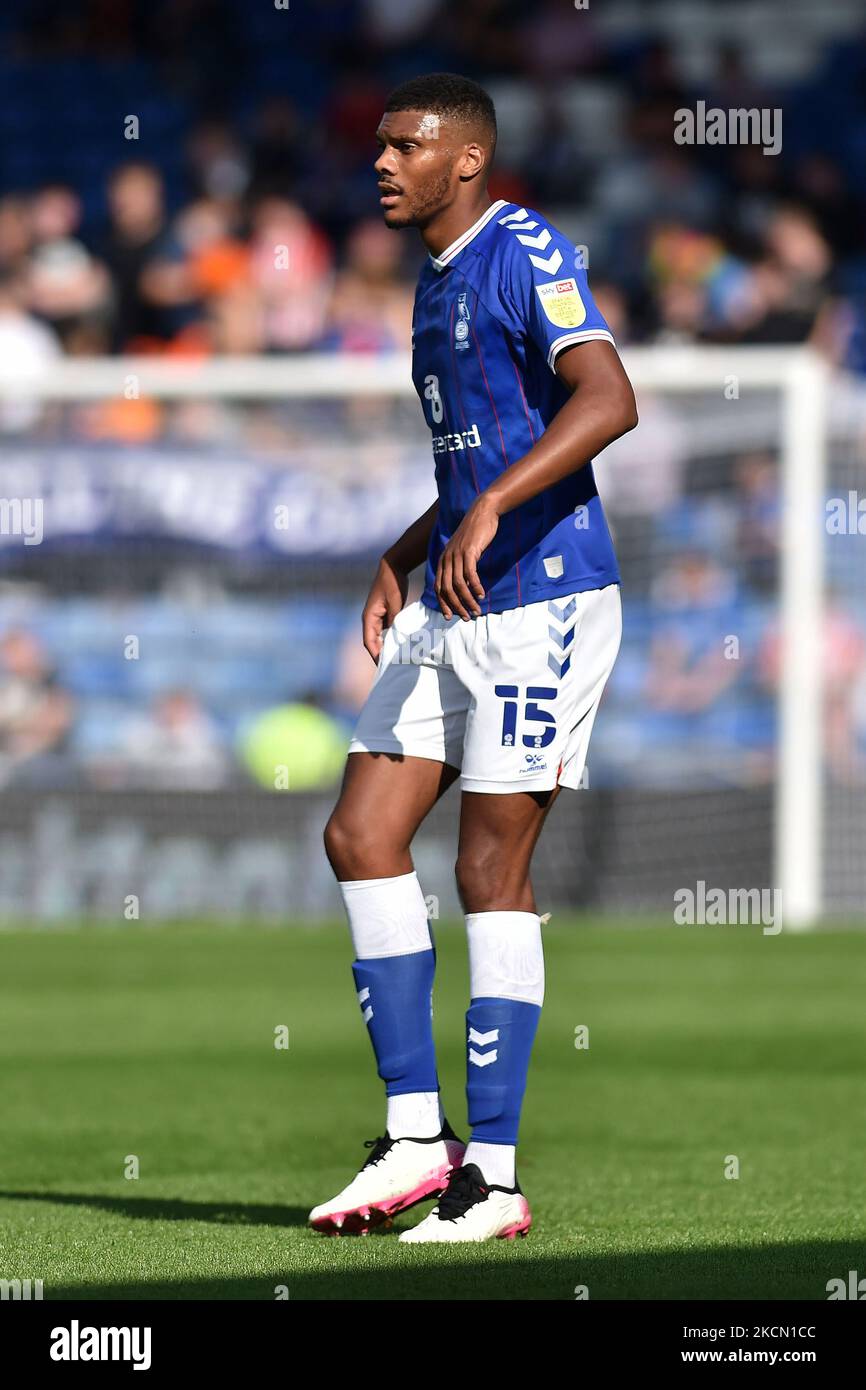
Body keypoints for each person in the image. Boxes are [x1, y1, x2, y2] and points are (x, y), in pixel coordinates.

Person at [314, 73, 637, 1243]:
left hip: (543, 603)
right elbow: (468, 463)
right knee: (360, 833)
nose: (382, 163)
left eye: (406, 145)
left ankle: (490, 1179)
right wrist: (406, 547)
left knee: (487, 872)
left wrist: (493, 504)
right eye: (381, 146)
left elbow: (607, 397)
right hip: (452, 594)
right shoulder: (434, 278)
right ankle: (412, 1142)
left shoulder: (525, 249)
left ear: (466, 160)